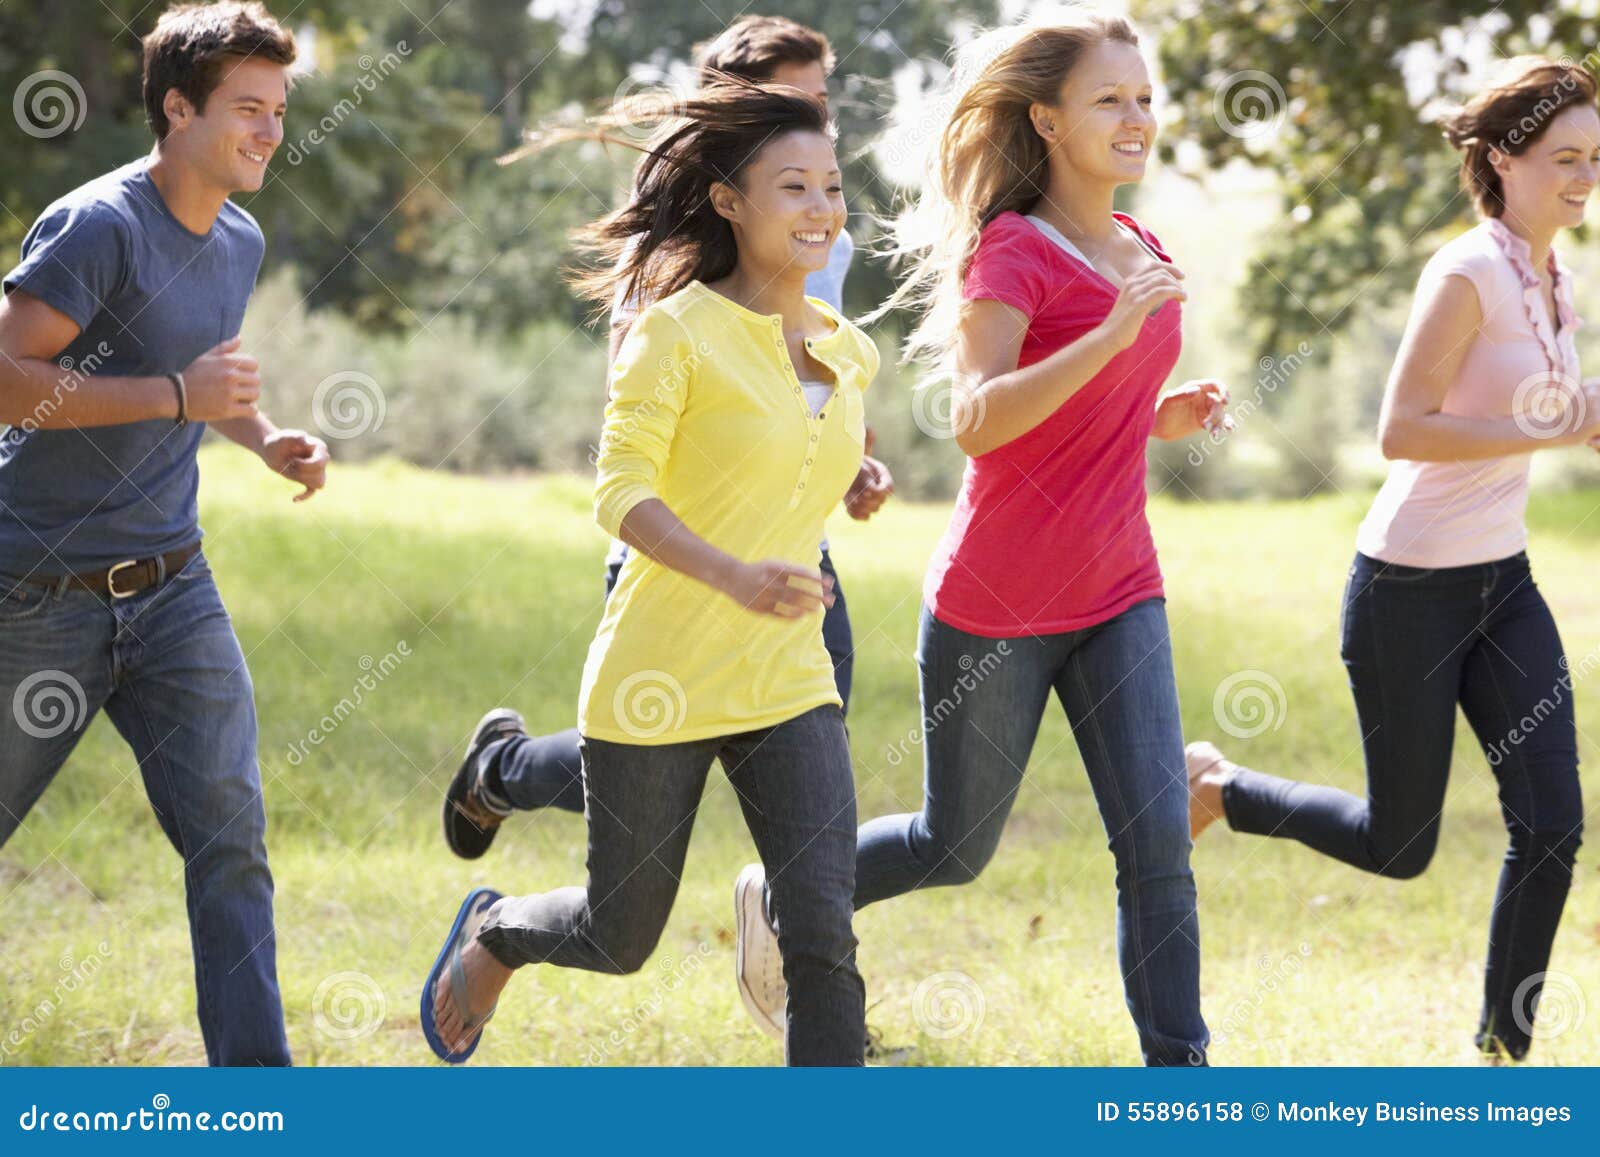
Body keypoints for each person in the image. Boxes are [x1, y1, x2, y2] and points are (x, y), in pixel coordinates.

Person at [735, 13, 1230, 1066]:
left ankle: (1182, 1079)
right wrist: (1108, 336)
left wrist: (1160, 411)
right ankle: (786, 894)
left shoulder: (1141, 247)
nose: (1136, 116)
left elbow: (1085, 414)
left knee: (1155, 845)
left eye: (1143, 96)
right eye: (1110, 99)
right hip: (997, 603)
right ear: (1045, 120)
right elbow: (978, 418)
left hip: (1119, 588)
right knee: (952, 844)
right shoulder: (1012, 251)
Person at [422, 79, 874, 1067]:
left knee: (823, 939)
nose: (820, 209)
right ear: (726, 199)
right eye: (792, 186)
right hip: (658, 675)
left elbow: (792, 465)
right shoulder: (674, 330)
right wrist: (732, 574)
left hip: (790, 681)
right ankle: (498, 930)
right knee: (619, 935)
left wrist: (837, 498)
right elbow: (619, 492)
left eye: (831, 187)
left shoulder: (848, 351)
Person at [1187, 55, 1597, 1062]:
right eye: (1561, 159)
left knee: (1550, 825)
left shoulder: (1558, 277)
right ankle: (1215, 784)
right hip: (1406, 588)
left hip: (1502, 582)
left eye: (1594, 159)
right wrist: (1552, 427)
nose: (1582, 180)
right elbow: (1400, 428)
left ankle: (1499, 1055)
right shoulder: (1465, 270)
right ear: (1500, 161)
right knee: (1398, 844)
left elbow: (1544, 409)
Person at [441, 14, 892, 865]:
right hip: (675, 539)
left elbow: (802, 378)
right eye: (790, 100)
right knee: (643, 748)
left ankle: (804, 918)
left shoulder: (830, 230)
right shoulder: (673, 242)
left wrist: (848, 458)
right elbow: (642, 392)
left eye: (821, 103)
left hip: (787, 546)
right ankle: (501, 770)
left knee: (815, 707)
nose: (811, 123)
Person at [0, 1, 329, 1066]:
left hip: (174, 589)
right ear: (176, 107)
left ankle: (261, 1097)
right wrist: (177, 398)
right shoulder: (101, 224)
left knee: (230, 840)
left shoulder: (237, 235)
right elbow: (9, 379)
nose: (271, 131)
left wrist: (265, 434)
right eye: (248, 109)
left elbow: (204, 378)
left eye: (279, 110)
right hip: (38, 592)